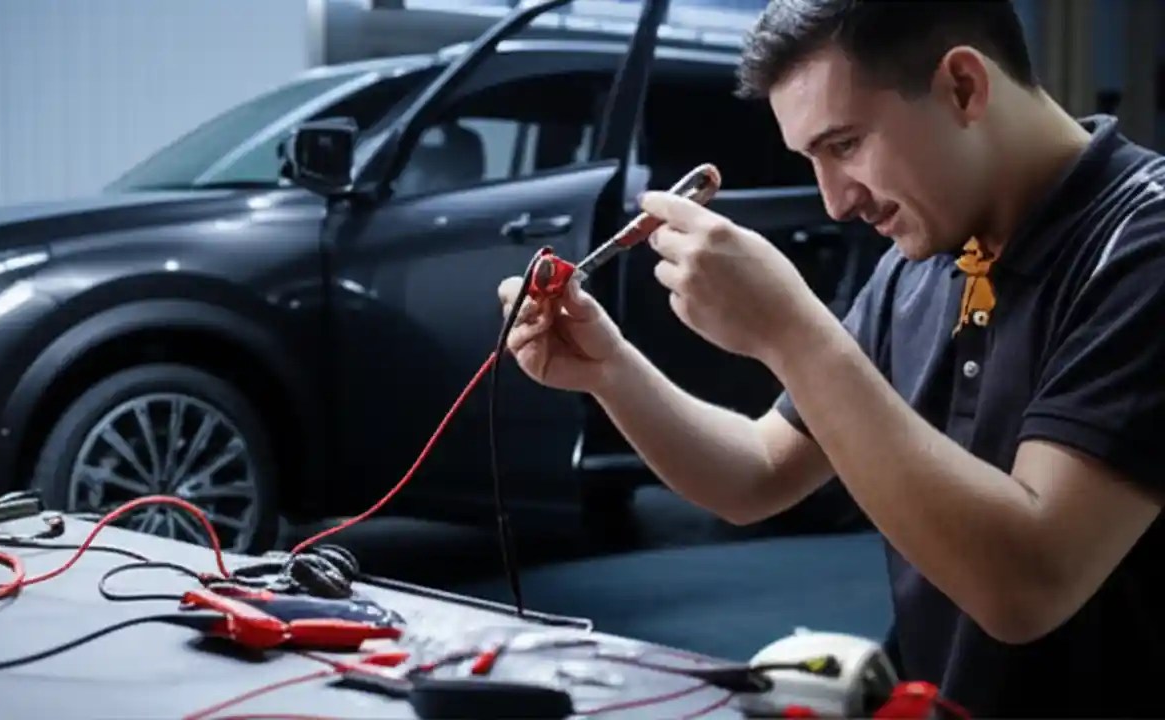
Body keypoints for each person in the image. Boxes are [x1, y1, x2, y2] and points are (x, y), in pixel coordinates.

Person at [497, 0, 1165, 716]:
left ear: (964, 86)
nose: (836, 202)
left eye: (844, 145)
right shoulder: (924, 261)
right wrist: (610, 369)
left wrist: (790, 330)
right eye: (812, 159)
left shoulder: (1143, 249)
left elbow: (1028, 587)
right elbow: (757, 471)